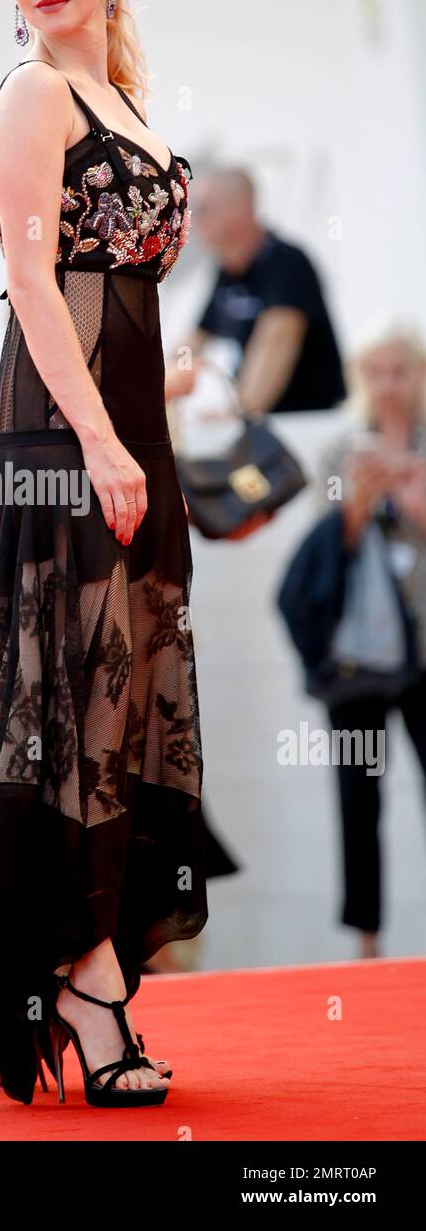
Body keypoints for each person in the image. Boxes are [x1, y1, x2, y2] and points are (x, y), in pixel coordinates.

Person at [0, 0, 208, 1109]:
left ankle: (88, 960)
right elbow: (36, 286)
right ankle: (86, 985)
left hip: (123, 418)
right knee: (70, 703)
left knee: (129, 690)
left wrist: (160, 391)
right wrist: (99, 440)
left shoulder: (123, 97)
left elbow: (123, 291)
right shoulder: (33, 92)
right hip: (61, 434)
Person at [311, 325, 426, 959]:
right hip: (357, 656)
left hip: (422, 650)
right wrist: (359, 500)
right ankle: (367, 942)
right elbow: (327, 551)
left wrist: (409, 490)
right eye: (377, 371)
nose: (388, 384)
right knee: (358, 797)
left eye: (400, 370)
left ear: (418, 375)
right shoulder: (340, 452)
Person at [175, 167, 346, 414]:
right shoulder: (228, 272)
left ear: (240, 207)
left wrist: (241, 412)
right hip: (268, 425)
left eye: (204, 209)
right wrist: (157, 393)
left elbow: (277, 339)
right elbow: (192, 343)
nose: (193, 219)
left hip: (309, 422)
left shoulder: (286, 262)